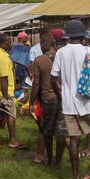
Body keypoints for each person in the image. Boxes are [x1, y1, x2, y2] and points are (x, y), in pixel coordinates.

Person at [51, 19, 90, 179]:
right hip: (88, 102)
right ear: (83, 35)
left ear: (68, 36)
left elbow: (53, 78)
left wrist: (61, 96)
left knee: (74, 139)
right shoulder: (89, 51)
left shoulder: (61, 52)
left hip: (69, 104)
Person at [27, 31, 60, 166]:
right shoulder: (62, 57)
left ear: (46, 44)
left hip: (48, 99)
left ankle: (45, 158)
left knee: (45, 130)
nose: (40, 46)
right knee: (62, 130)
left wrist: (31, 102)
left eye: (41, 43)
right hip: (63, 98)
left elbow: (36, 84)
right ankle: (62, 158)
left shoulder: (40, 60)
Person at [0, 34, 23, 149]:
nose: (11, 44)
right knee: (11, 114)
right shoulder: (2, 57)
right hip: (4, 92)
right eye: (9, 42)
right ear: (3, 43)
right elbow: (3, 78)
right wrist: (6, 96)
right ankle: (12, 140)